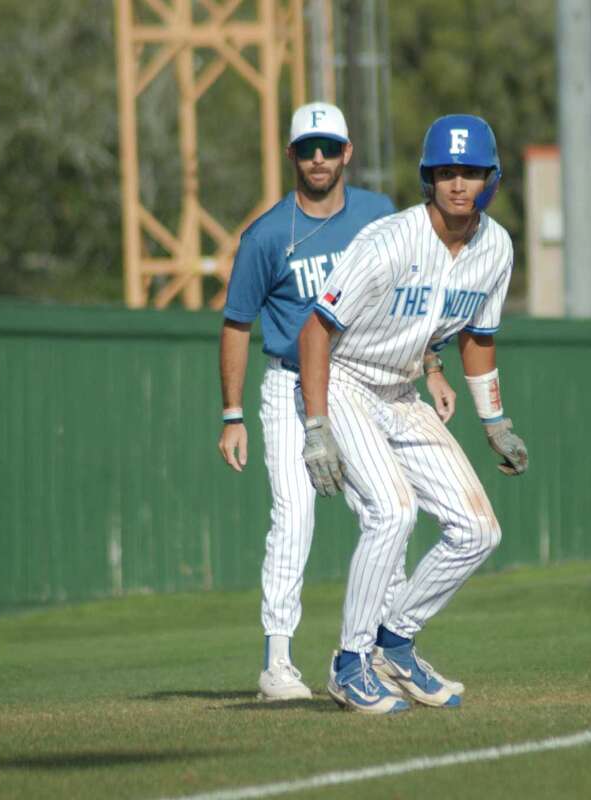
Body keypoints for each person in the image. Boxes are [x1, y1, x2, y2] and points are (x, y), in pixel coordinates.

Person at [218, 102, 458, 702]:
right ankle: (278, 662)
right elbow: (236, 323)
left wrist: (432, 366)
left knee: (388, 509)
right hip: (289, 383)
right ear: (291, 155)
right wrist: (232, 415)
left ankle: (379, 650)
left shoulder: (381, 215)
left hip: (359, 382)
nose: (318, 158)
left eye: (328, 147)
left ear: (347, 152)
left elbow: (417, 294)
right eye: (307, 148)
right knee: (294, 517)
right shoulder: (268, 234)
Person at [297, 114, 529, 714]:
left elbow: (479, 335)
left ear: (490, 179)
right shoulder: (390, 240)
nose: (458, 183)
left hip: (401, 391)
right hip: (346, 380)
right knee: (392, 512)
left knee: (478, 530)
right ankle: (350, 664)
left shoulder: (496, 248)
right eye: (446, 172)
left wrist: (493, 421)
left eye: (470, 172)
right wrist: (317, 426)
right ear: (429, 177)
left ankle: (393, 642)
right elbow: (317, 329)